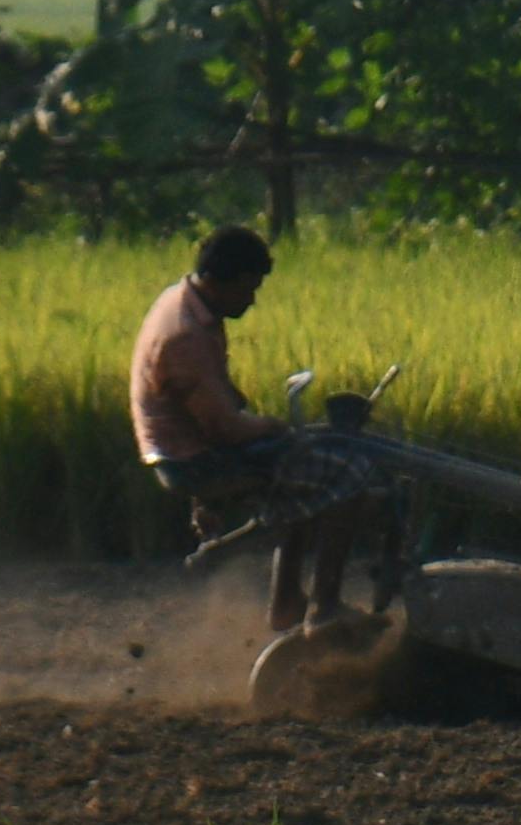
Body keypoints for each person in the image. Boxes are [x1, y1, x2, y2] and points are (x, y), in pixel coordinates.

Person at [131, 223, 372, 635]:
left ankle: (286, 605)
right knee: (349, 473)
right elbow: (223, 427)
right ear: (223, 280)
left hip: (186, 450)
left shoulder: (186, 302)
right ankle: (325, 608)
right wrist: (274, 427)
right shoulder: (185, 334)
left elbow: (203, 404)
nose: (252, 299)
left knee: (305, 473)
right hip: (198, 462)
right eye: (250, 287)